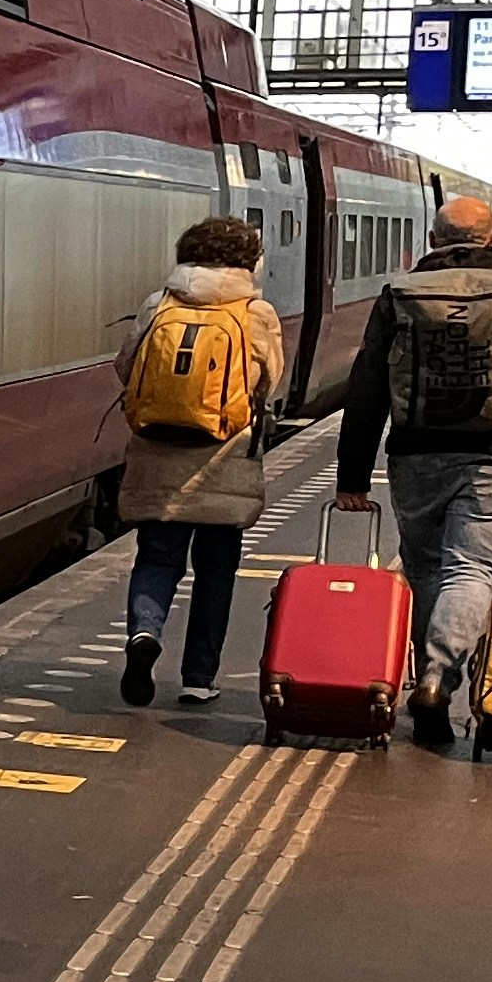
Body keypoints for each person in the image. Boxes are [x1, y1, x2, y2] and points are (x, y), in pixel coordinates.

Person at [335, 192, 492, 748]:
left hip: (414, 454)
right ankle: (437, 680)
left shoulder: (400, 294)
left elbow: (366, 391)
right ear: (490, 240)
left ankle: (423, 679)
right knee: (472, 569)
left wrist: (352, 478)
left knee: (427, 568)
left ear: (433, 241)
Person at [112, 214, 285, 709]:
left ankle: (144, 634)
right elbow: (270, 384)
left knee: (157, 557)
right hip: (223, 460)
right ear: (249, 261)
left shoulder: (158, 304)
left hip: (159, 452)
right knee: (216, 571)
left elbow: (125, 368)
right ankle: (198, 678)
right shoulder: (256, 313)